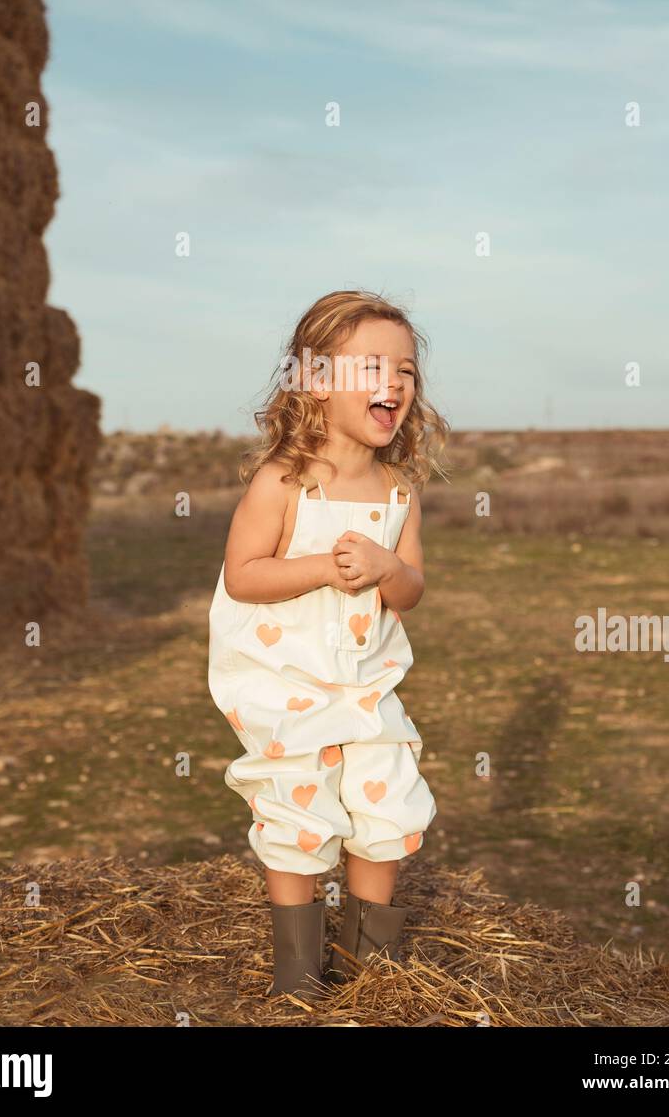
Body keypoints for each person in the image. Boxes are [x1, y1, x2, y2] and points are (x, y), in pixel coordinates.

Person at [208, 288, 449, 999]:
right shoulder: (282, 482)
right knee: (298, 809)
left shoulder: (398, 489)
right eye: (373, 365)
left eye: (405, 369)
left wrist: (389, 570)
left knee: (387, 804)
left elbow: (411, 591)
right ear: (315, 382)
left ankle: (375, 970)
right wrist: (326, 568)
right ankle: (299, 977)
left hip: (366, 683)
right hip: (285, 681)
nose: (395, 382)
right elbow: (243, 577)